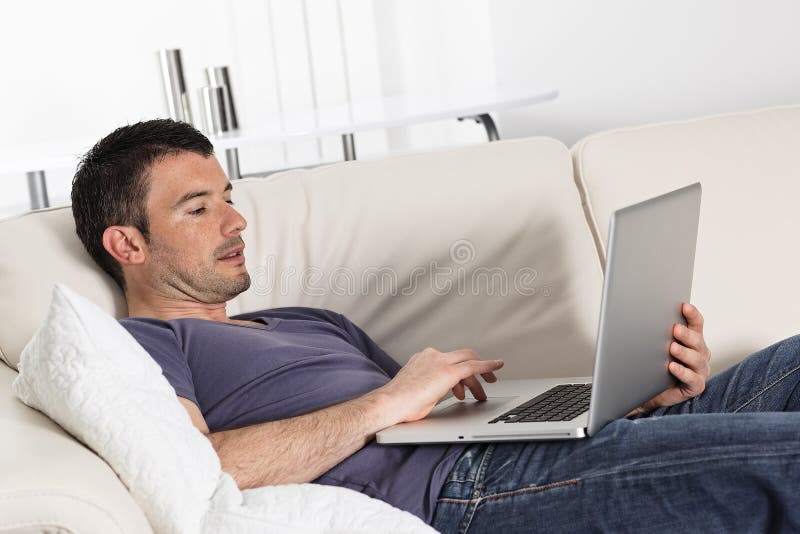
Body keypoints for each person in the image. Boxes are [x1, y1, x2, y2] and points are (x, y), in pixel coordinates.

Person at [71, 119, 799, 532]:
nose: (236, 221)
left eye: (229, 197)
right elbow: (199, 470)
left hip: (519, 449)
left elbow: (430, 415)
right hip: (472, 490)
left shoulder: (306, 320)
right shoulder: (141, 345)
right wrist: (386, 402)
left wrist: (647, 393)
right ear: (127, 245)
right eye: (198, 209)